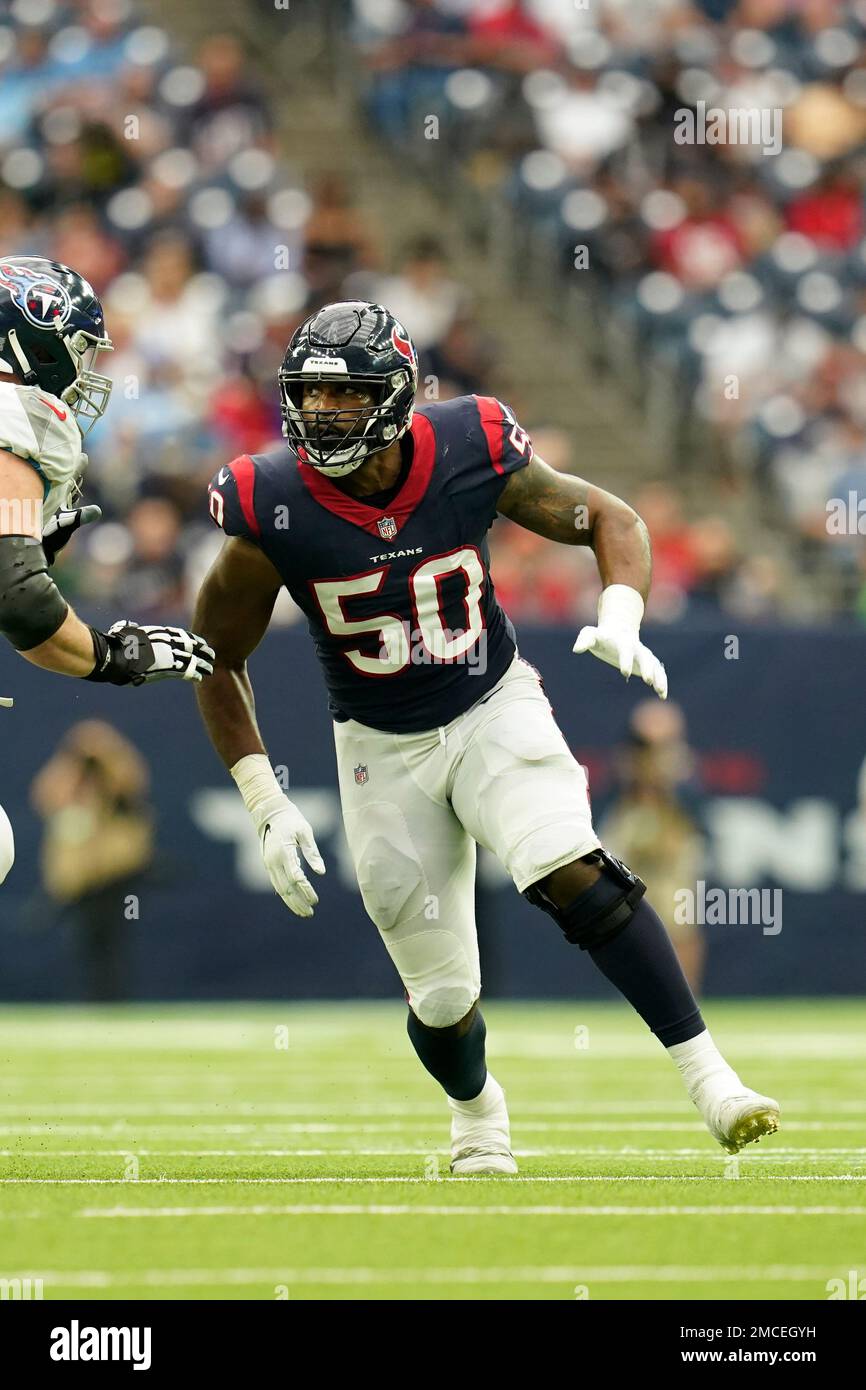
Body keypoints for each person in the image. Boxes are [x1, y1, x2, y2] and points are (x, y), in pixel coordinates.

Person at [193, 300, 779, 1174]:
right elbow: (217, 656)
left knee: (569, 867)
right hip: (379, 747)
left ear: (395, 399)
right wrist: (265, 800)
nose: (321, 416)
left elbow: (609, 519)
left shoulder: (468, 445)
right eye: (309, 396)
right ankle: (477, 1112)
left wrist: (621, 612)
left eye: (344, 398)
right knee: (442, 998)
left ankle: (712, 1081)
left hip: (491, 705)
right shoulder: (270, 500)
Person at [0, 256, 213, 888]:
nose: (87, 369)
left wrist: (28, 548)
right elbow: (20, 603)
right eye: (79, 349)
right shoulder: (14, 418)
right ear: (34, 336)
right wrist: (113, 654)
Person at [31, 721, 154, 1001]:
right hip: (79, 879)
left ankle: (112, 998)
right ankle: (92, 999)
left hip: (114, 874)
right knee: (85, 941)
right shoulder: (69, 781)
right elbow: (46, 797)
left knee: (112, 940)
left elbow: (131, 783)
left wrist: (104, 754)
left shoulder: (117, 781)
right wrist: (74, 761)